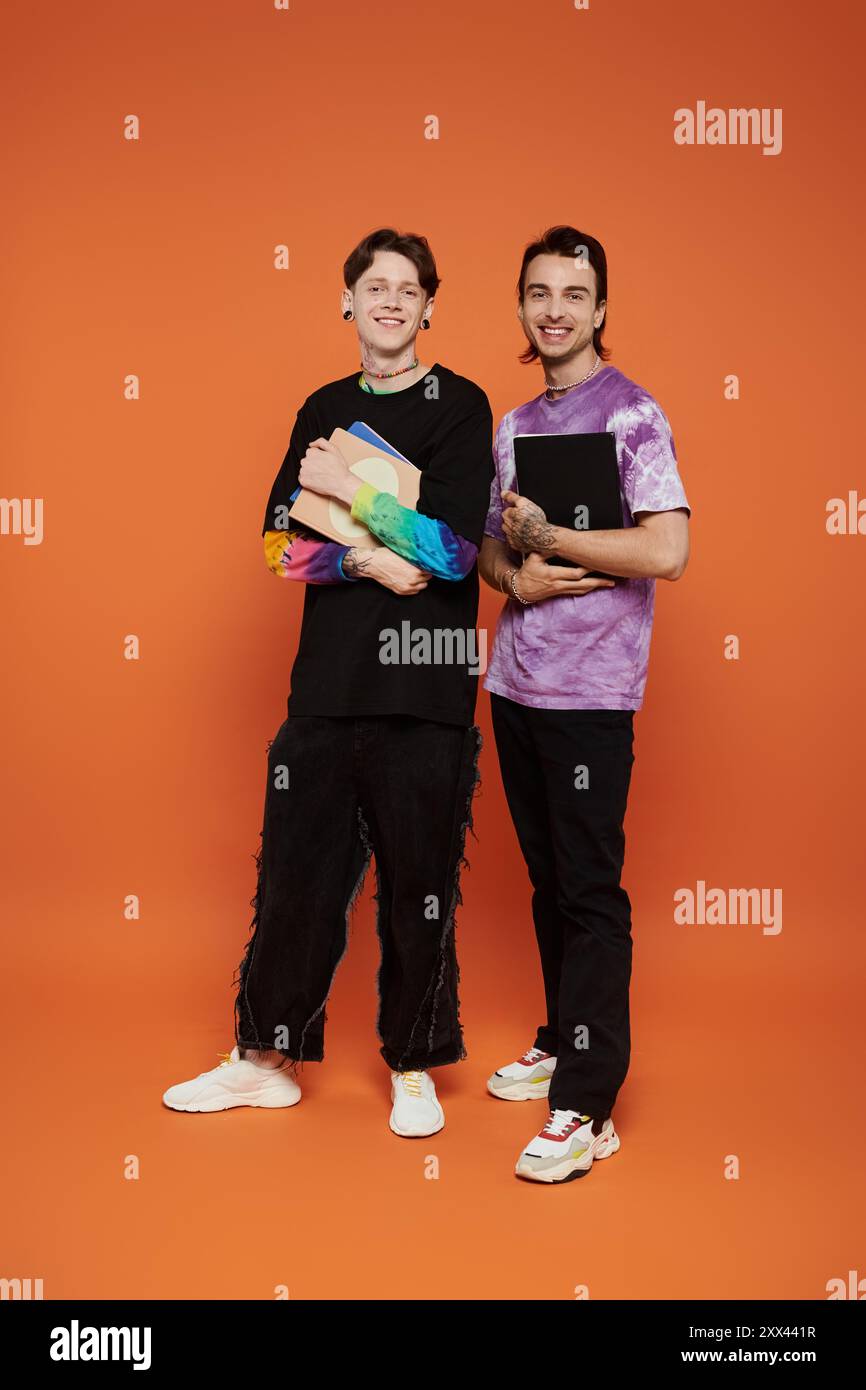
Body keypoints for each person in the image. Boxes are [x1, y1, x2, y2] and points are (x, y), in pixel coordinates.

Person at [163, 228, 494, 1138]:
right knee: (296, 882)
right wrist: (363, 561)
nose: (390, 299)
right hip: (326, 687)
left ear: (430, 306)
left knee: (419, 882)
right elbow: (277, 545)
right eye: (373, 285)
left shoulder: (461, 406)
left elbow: (456, 552)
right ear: (345, 302)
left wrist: (357, 493)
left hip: (426, 690)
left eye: (408, 288)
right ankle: (263, 1061)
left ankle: (414, 1064)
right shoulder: (320, 404)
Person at [479, 225, 691, 1182]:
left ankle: (588, 1104)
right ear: (523, 306)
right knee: (545, 878)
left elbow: (666, 552)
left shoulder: (634, 416)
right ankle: (564, 1035)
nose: (555, 309)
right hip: (514, 684)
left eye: (573, 293)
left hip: (592, 697)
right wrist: (515, 579)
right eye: (539, 292)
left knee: (591, 890)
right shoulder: (514, 424)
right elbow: (489, 550)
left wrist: (559, 535)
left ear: (601, 308)